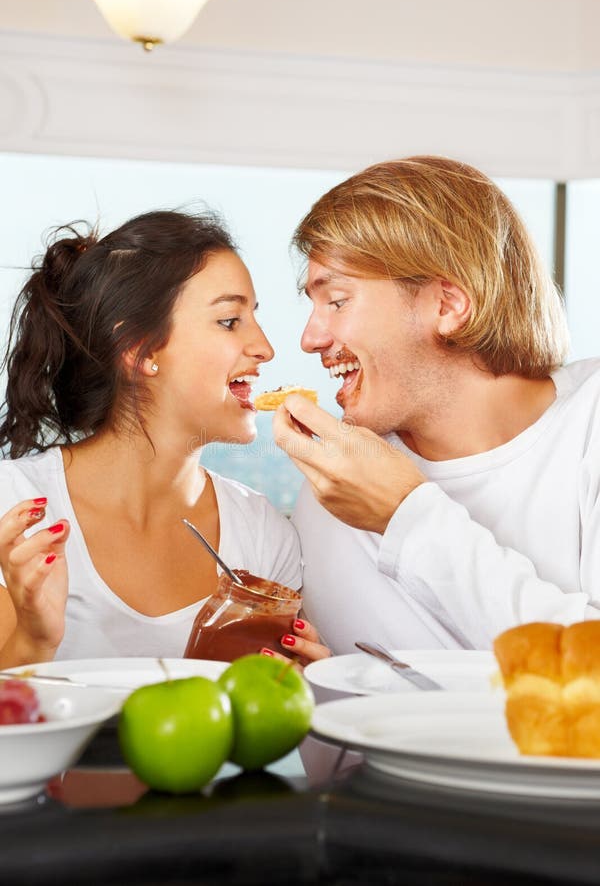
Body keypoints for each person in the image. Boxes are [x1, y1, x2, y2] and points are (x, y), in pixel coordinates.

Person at [273, 155, 600, 655]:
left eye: (337, 301)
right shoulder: (333, 489)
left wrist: (408, 517)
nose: (310, 338)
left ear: (446, 305)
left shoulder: (589, 423)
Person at [0, 210, 324, 666]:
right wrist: (34, 641)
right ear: (140, 350)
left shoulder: (263, 533)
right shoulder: (14, 511)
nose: (265, 348)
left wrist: (300, 688)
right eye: (230, 320)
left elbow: (254, 723)